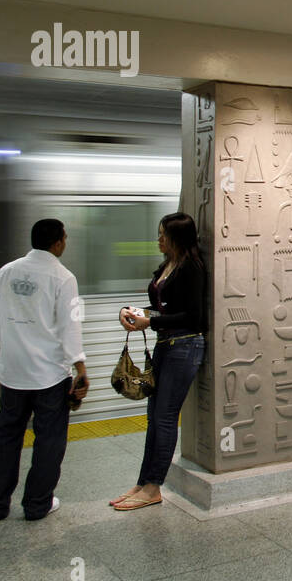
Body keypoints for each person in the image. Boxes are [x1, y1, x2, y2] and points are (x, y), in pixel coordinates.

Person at [0, 219, 89, 521]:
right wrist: (80, 369)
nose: (65, 243)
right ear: (57, 242)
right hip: (49, 376)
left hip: (12, 373)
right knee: (49, 440)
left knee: (7, 437)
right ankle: (37, 504)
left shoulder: (6, 272)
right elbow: (70, 328)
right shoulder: (63, 277)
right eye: (64, 238)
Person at [110, 212, 208, 510]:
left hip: (185, 346)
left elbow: (195, 317)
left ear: (177, 237)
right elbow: (161, 306)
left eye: (163, 234)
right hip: (166, 345)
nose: (159, 239)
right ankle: (143, 482)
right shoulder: (168, 266)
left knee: (165, 417)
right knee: (154, 417)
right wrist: (134, 312)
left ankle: (154, 487)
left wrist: (148, 322)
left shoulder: (192, 268)